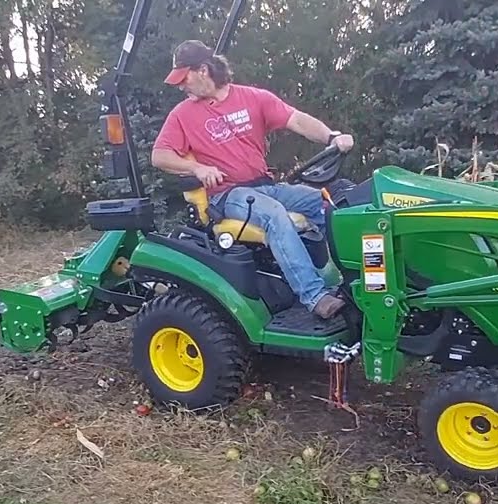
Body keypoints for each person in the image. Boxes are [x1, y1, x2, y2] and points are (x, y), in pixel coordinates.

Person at [150, 40, 354, 319]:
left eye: (183, 78)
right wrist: (197, 168)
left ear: (203, 70)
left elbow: (297, 120)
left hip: (264, 186)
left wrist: (331, 137)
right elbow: (159, 156)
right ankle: (315, 295)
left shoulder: (253, 98)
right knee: (274, 215)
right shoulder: (182, 114)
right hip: (227, 196)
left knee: (327, 203)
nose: (180, 86)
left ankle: (356, 281)